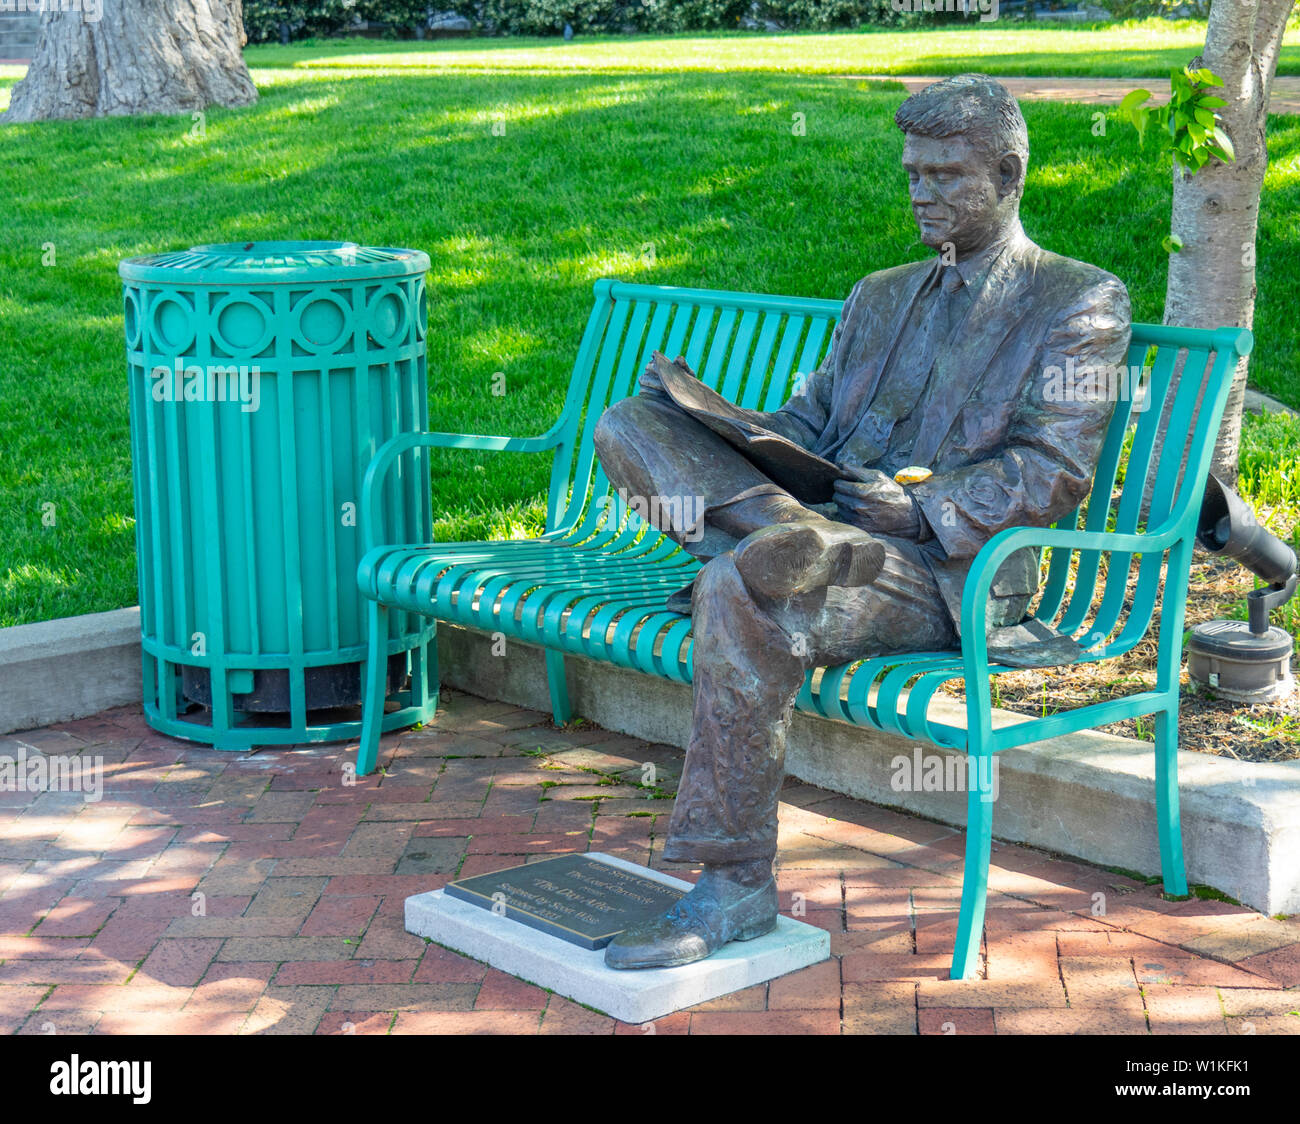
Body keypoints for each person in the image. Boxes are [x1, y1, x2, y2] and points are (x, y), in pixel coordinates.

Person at [592, 73, 1132, 970]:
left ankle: (733, 887)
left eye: (948, 174)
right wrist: (713, 417)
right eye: (914, 172)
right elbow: (810, 425)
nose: (922, 191)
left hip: (941, 571)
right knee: (628, 425)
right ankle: (779, 536)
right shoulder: (877, 293)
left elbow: (1056, 469)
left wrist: (919, 503)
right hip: (815, 529)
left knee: (740, 586)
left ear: (1008, 174)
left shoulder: (1079, 301)